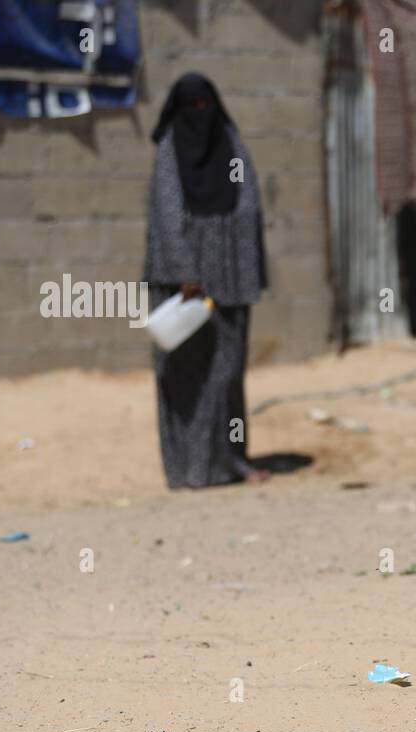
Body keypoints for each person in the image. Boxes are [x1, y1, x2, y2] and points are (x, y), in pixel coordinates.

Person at [144, 72, 268, 489]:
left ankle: (230, 461)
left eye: (205, 106)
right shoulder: (169, 150)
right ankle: (189, 469)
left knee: (227, 374)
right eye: (192, 107)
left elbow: (248, 205)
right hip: (184, 284)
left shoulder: (230, 143)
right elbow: (166, 212)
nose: (201, 115)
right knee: (186, 377)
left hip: (230, 280)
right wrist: (185, 271)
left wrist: (245, 268)